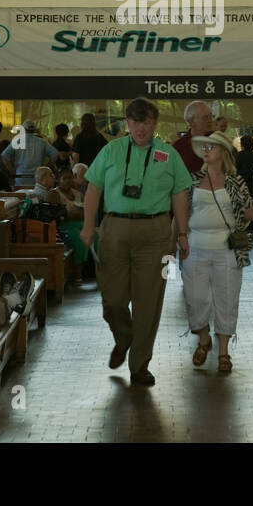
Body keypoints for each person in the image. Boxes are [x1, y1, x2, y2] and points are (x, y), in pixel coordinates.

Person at [80, 98, 192, 387]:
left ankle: (140, 364)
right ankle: (123, 335)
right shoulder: (111, 150)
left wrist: (182, 233)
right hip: (114, 229)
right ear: (127, 123)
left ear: (154, 124)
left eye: (147, 122)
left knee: (148, 303)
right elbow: (93, 188)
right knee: (113, 300)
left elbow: (180, 194)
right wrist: (88, 225)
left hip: (155, 233)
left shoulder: (168, 154)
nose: (141, 128)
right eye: (135, 122)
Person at [183, 132, 253, 373]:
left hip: (226, 248)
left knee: (227, 298)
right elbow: (181, 211)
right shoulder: (193, 181)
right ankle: (204, 338)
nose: (206, 150)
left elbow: (245, 212)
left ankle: (223, 350)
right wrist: (177, 237)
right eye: (204, 147)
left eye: (211, 147)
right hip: (195, 247)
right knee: (195, 298)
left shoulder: (235, 182)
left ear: (223, 152)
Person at [0, 120, 60, 187]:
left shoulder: (17, 141)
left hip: (20, 177)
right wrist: (46, 168)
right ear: (34, 129)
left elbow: (4, 156)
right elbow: (55, 155)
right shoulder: (42, 142)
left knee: (21, 195)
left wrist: (12, 170)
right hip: (37, 178)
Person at [172, 101, 214, 175]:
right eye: (205, 117)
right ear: (191, 121)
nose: (210, 120)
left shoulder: (217, 140)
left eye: (211, 116)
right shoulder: (178, 147)